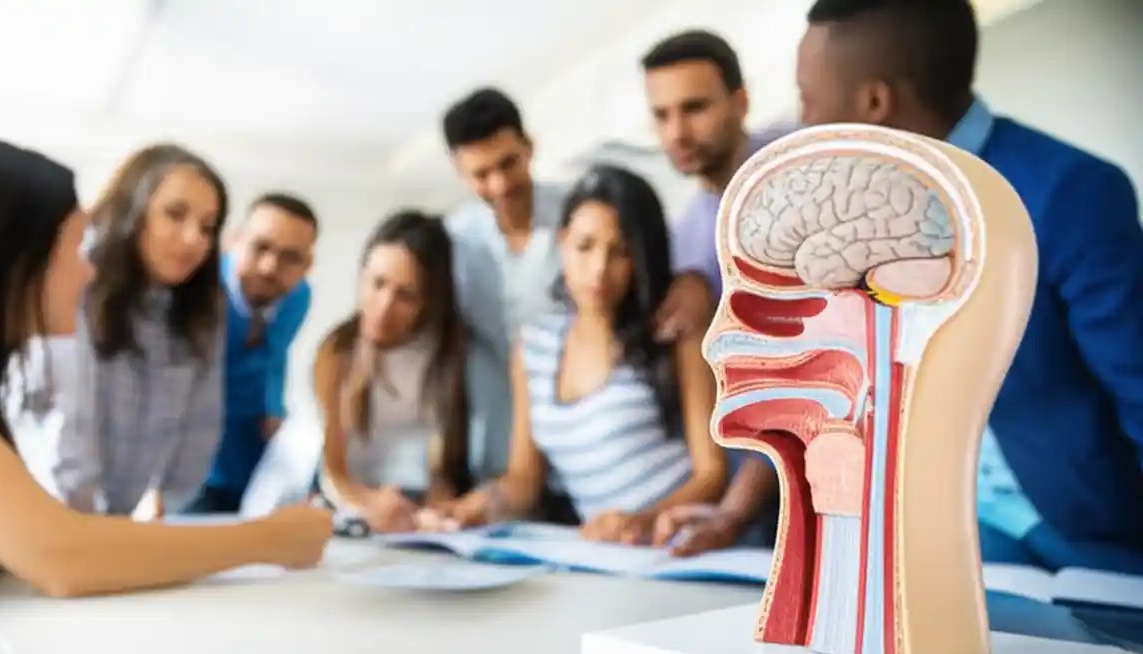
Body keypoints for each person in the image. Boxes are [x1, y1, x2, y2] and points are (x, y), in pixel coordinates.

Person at [0, 139, 332, 654]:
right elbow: (59, 552)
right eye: (75, 246)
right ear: (15, 252)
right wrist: (268, 538)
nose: (87, 271)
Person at [793, 0, 1143, 572]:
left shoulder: (1070, 194)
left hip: (1077, 542)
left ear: (875, 103)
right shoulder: (853, 218)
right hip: (923, 526)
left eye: (807, 97)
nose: (803, 119)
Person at [441, 88, 714, 520]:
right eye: (481, 173)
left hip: (638, 502)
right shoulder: (454, 244)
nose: (499, 185)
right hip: (528, 444)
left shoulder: (586, 208)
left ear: (529, 148)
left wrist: (696, 280)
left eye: (508, 163)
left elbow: (660, 269)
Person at [640, 30, 795, 551]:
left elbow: (806, 361)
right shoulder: (685, 239)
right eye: (661, 116)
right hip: (751, 473)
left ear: (741, 101)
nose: (676, 132)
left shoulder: (799, 166)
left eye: (695, 108)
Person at [14, 144, 230, 517]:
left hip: (117, 520)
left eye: (208, 227)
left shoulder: (201, 310)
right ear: (133, 209)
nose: (194, 239)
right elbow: (65, 434)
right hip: (40, 516)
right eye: (175, 214)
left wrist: (164, 507)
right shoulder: (76, 284)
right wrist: (92, 529)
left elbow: (200, 427)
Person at [313, 210, 471, 533]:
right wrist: (371, 505)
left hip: (406, 504)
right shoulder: (336, 353)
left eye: (406, 296)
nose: (383, 307)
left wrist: (436, 511)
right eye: (377, 284)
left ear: (430, 301)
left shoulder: (446, 356)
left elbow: (442, 466)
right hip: (343, 500)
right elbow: (334, 474)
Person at [182, 193, 317, 514]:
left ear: (307, 266)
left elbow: (276, 352)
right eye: (261, 247)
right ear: (233, 241)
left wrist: (272, 406)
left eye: (291, 258)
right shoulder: (196, 290)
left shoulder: (298, 297)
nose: (270, 268)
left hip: (258, 454)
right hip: (196, 458)